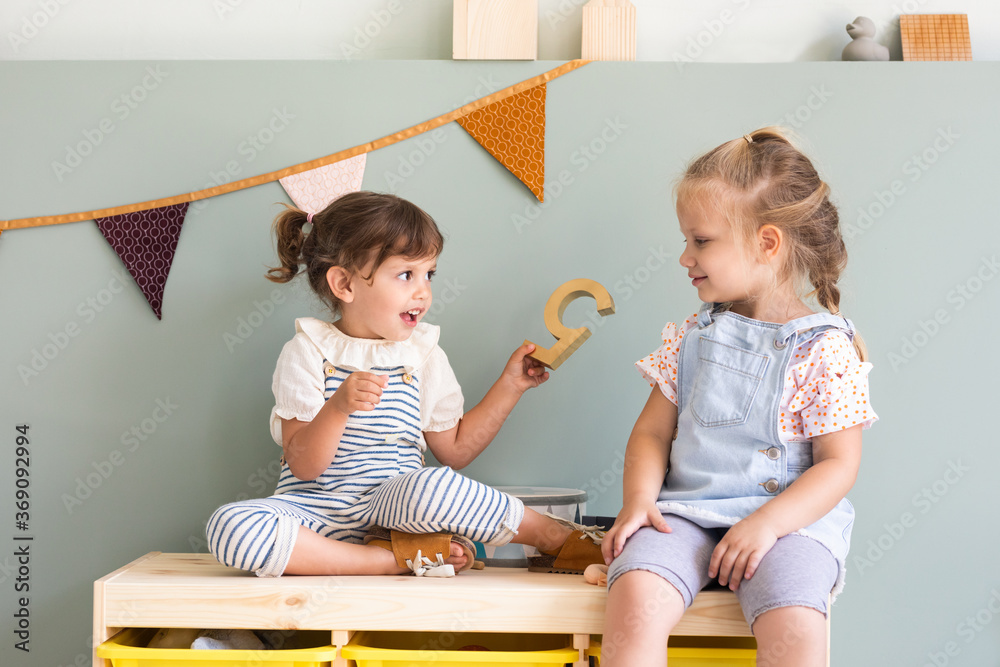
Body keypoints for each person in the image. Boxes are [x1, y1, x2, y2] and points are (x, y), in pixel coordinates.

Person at [206, 191, 603, 578]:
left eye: (429, 274)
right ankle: (391, 561)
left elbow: (456, 451)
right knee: (230, 526)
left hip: (395, 509)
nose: (423, 291)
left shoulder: (423, 353)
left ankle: (554, 538)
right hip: (314, 512)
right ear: (344, 284)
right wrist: (338, 407)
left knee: (434, 485)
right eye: (405, 274)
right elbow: (305, 466)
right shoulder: (307, 351)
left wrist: (510, 386)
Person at [599, 128, 877, 666]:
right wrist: (638, 502)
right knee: (634, 590)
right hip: (687, 513)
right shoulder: (691, 334)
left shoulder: (825, 348)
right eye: (686, 240)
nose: (685, 257)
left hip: (788, 523)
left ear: (766, 243)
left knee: (795, 621)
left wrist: (767, 524)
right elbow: (652, 433)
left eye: (700, 241)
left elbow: (838, 466)